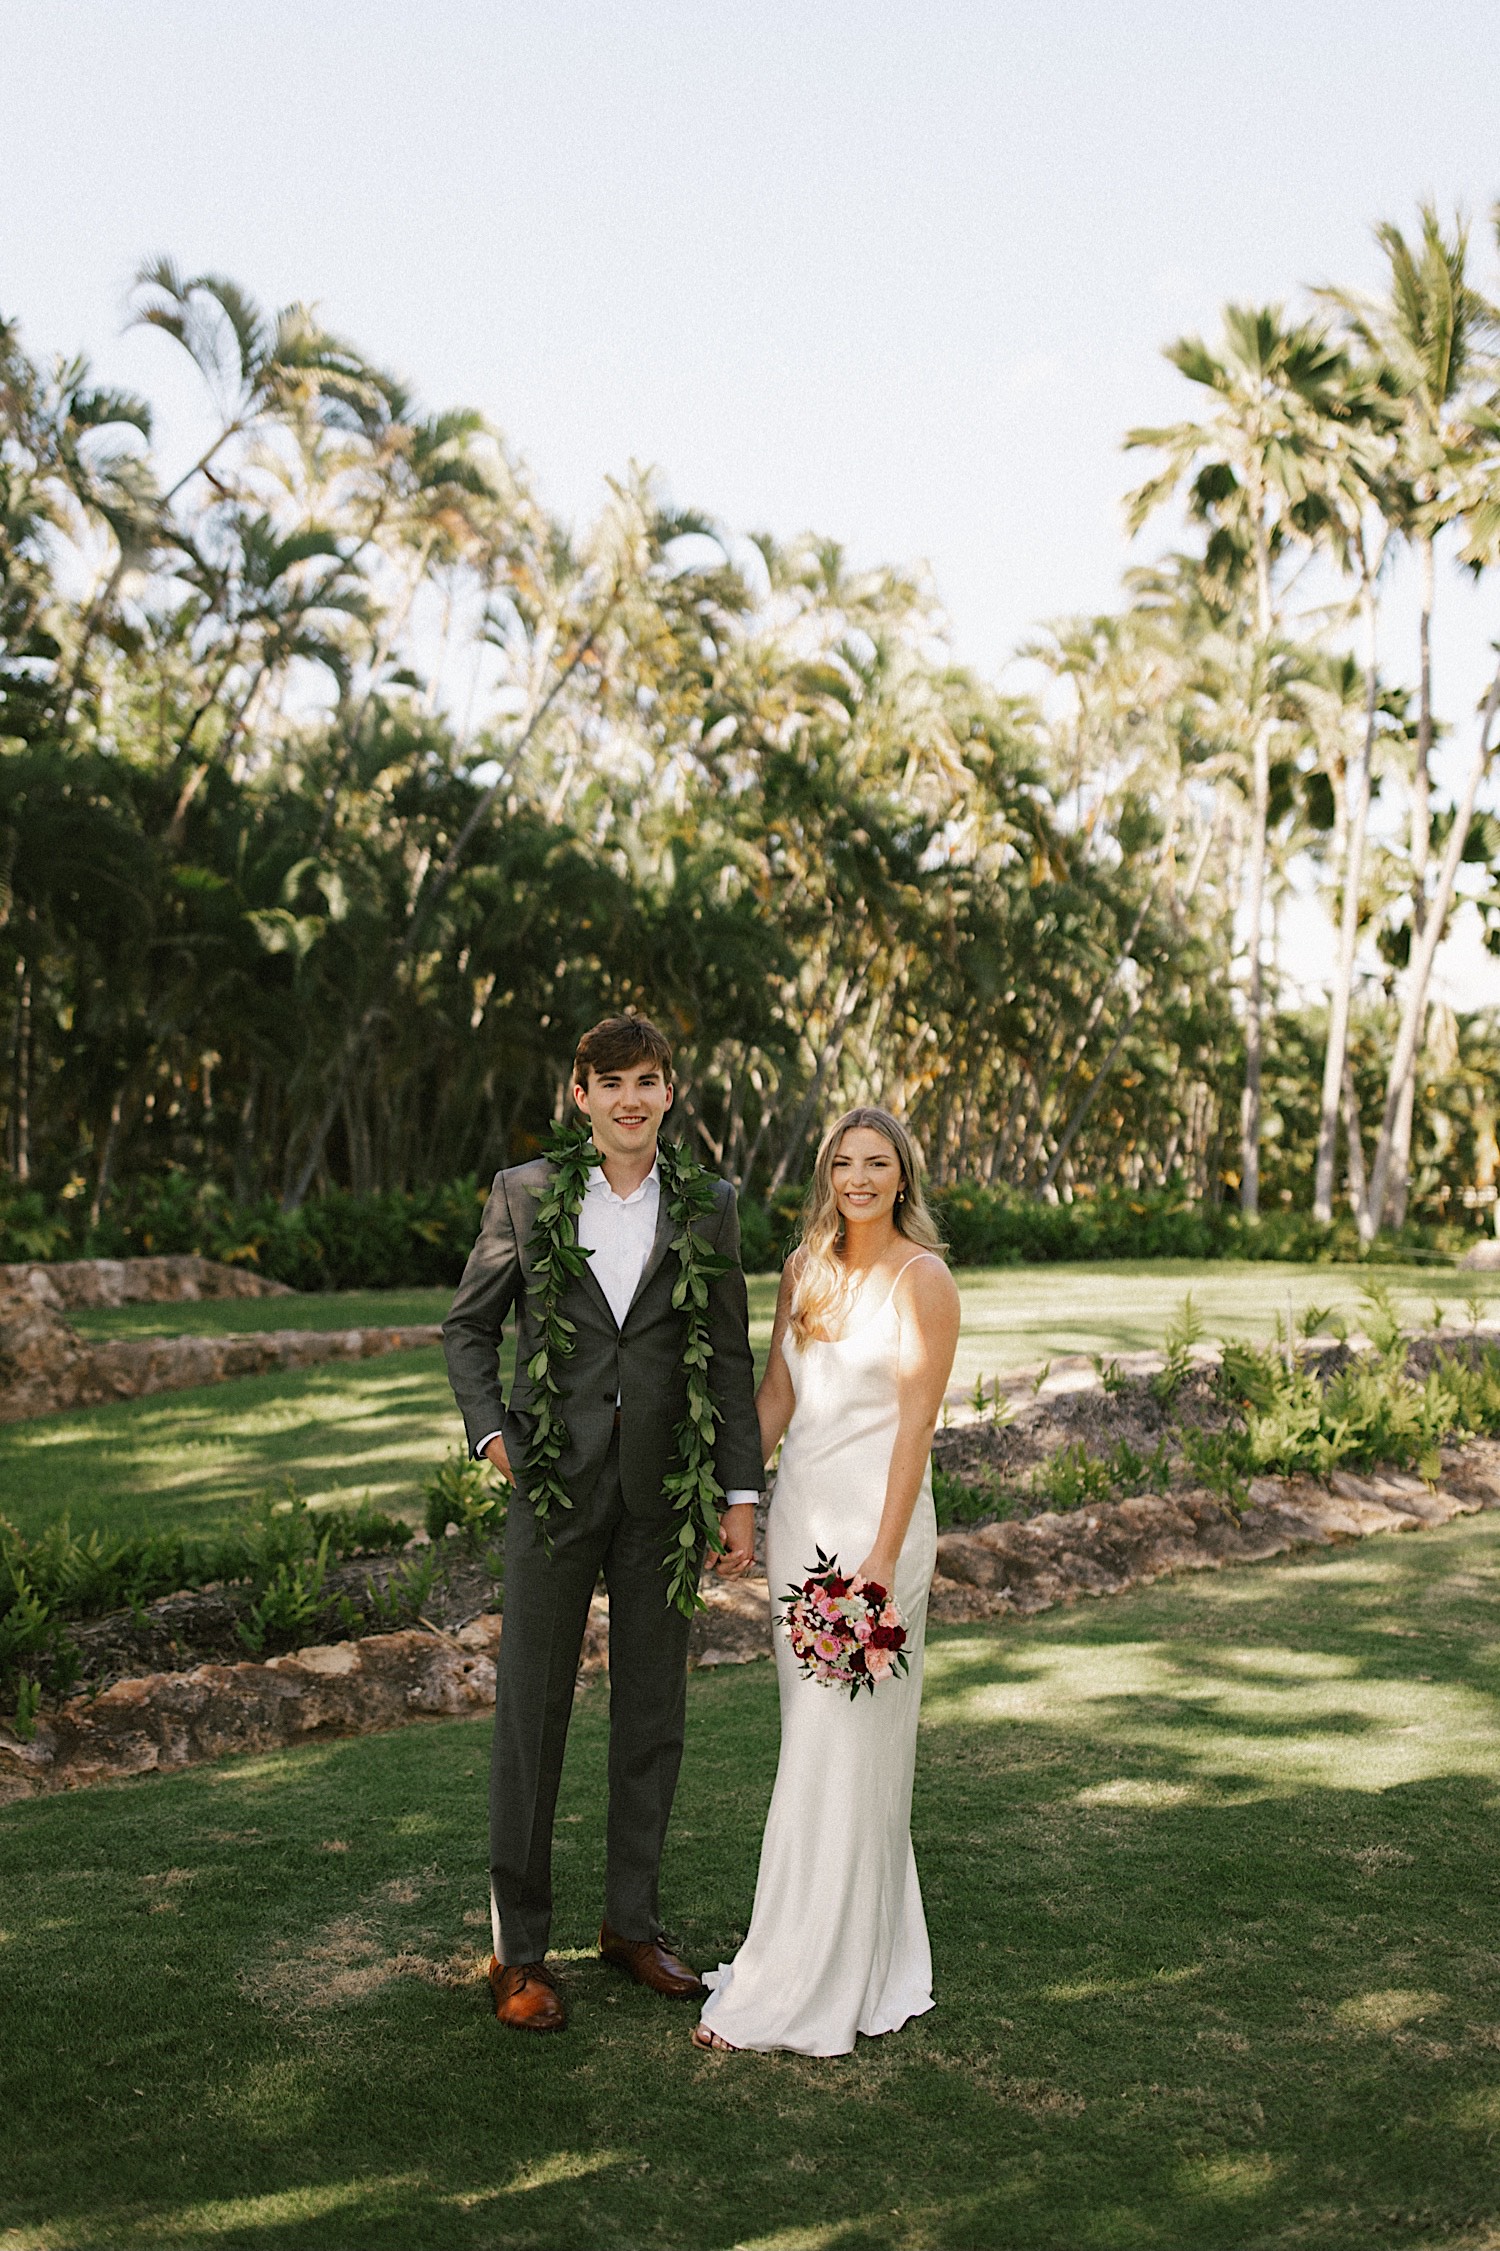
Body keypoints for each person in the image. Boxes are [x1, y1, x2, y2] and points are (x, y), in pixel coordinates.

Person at [442, 1014, 763, 2033]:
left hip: (662, 1496)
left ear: (671, 1093)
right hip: (551, 1489)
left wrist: (739, 1493)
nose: (631, 1097)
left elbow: (729, 1356)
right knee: (531, 1716)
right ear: (580, 1093)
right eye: (611, 1080)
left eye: (648, 1079)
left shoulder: (710, 1207)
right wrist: (492, 1437)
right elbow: (469, 1326)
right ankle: (517, 1952)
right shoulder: (524, 1192)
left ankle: (631, 1925)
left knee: (652, 1716)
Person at [694, 1106, 960, 2057]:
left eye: (876, 1162)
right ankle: (865, 1954)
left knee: (839, 1754)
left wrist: (884, 1563)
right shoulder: (805, 1271)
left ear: (902, 1176)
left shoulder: (923, 1280)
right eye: (843, 1162)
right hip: (800, 1526)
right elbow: (777, 1398)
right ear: (827, 1174)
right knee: (818, 1744)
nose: (858, 1177)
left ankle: (808, 1982)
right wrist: (732, 1497)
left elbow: (915, 1433)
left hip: (875, 1541)